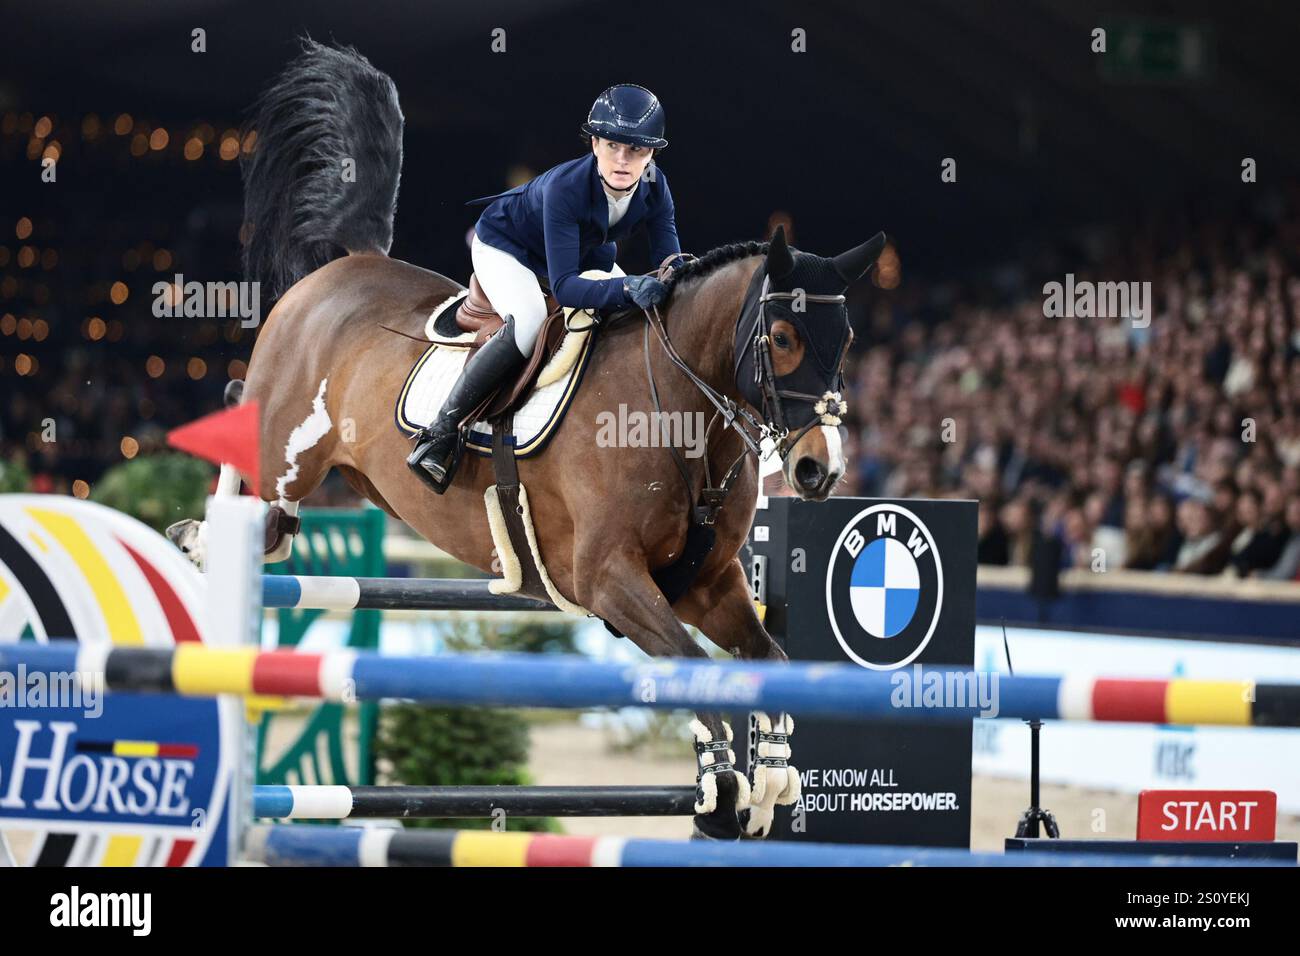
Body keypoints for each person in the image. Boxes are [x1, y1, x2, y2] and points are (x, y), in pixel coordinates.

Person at [407, 84, 683, 492]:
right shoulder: (566, 188)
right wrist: (626, 288)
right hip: (507, 246)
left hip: (583, 249)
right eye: (612, 146)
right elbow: (567, 288)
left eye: (636, 150)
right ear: (594, 143)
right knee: (531, 322)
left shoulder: (656, 188)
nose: (623, 160)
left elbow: (669, 263)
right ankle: (440, 432)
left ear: (652, 154)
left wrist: (684, 273)